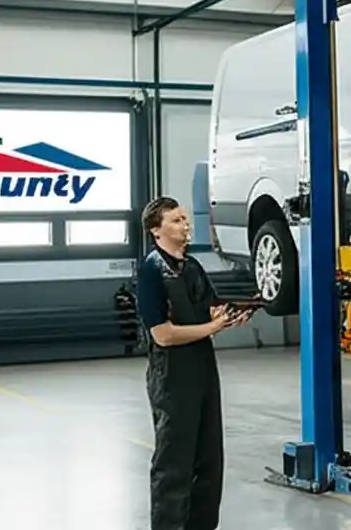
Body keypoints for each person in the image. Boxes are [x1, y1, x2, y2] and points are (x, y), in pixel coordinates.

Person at [136, 196, 253, 530]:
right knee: (174, 461)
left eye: (185, 218)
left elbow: (210, 308)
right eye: (175, 220)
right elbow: (163, 335)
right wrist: (211, 328)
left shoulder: (193, 267)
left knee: (208, 458)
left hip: (203, 369)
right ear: (156, 230)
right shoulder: (150, 271)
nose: (185, 224)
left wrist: (226, 315)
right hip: (171, 375)